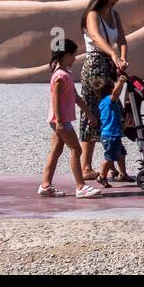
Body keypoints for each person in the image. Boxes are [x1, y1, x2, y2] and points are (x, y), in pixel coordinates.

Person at [39, 40, 101, 198]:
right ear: (66, 55)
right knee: (77, 150)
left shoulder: (65, 74)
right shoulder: (60, 76)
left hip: (59, 120)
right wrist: (59, 121)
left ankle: (45, 185)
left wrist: (89, 113)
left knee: (56, 150)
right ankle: (81, 187)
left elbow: (75, 97)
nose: (75, 58)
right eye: (73, 55)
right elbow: (56, 100)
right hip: (60, 121)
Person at [81, 0, 128, 179]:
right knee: (93, 113)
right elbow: (96, 37)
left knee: (112, 111)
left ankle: (113, 165)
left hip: (110, 64)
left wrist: (122, 59)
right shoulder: (92, 14)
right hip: (95, 65)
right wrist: (113, 54)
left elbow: (123, 40)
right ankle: (86, 166)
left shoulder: (115, 15)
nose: (115, 0)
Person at [95, 75, 128, 187]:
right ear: (110, 90)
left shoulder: (104, 102)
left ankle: (123, 174)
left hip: (113, 135)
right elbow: (115, 94)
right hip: (110, 136)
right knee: (109, 158)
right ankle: (102, 176)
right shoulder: (109, 100)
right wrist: (121, 82)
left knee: (121, 154)